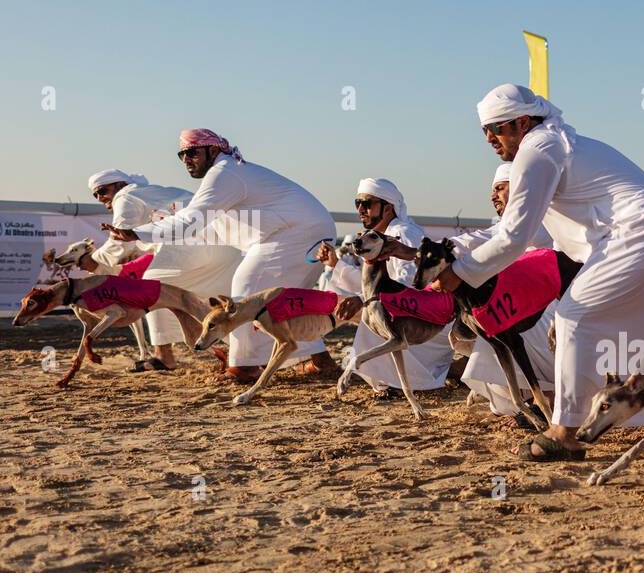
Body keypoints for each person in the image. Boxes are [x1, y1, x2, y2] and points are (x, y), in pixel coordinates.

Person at [428, 84, 644, 460]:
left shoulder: (537, 148)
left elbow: (514, 236)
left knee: (573, 317)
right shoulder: (561, 144)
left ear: (523, 122)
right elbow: (522, 230)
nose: (489, 138)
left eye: (497, 128)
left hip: (640, 231)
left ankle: (565, 433)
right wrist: (457, 252)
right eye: (483, 130)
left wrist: (462, 271)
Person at [108, 129, 339, 381]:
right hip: (303, 231)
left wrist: (137, 233)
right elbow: (208, 226)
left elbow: (190, 221)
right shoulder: (226, 175)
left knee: (246, 292)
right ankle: (320, 361)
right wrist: (147, 231)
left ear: (213, 150)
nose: (186, 159)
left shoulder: (224, 173)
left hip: (296, 233)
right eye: (181, 155)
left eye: (192, 152)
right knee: (284, 302)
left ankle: (244, 367)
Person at [86, 169, 241, 370]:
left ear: (119, 185)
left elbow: (120, 241)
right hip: (225, 249)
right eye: (95, 195)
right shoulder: (154, 194)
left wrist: (92, 260)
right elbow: (141, 241)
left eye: (102, 191)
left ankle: (164, 356)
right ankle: (251, 354)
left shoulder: (125, 196)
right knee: (227, 307)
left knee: (151, 288)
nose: (100, 198)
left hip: (191, 249)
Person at [317, 178, 455, 394]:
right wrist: (335, 264)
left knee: (372, 314)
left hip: (428, 321)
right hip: (407, 313)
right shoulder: (376, 239)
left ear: (388, 208)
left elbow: (409, 284)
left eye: (367, 203)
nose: (361, 209)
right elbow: (372, 284)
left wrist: (363, 300)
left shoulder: (403, 233)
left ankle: (403, 382)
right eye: (358, 204)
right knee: (357, 306)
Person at [457, 162, 560, 419]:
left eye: (500, 188)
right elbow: (479, 240)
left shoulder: (541, 218)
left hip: (553, 311)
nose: (493, 196)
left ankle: (549, 397)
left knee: (498, 324)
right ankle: (533, 397)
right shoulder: (519, 221)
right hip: (533, 307)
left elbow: (487, 241)